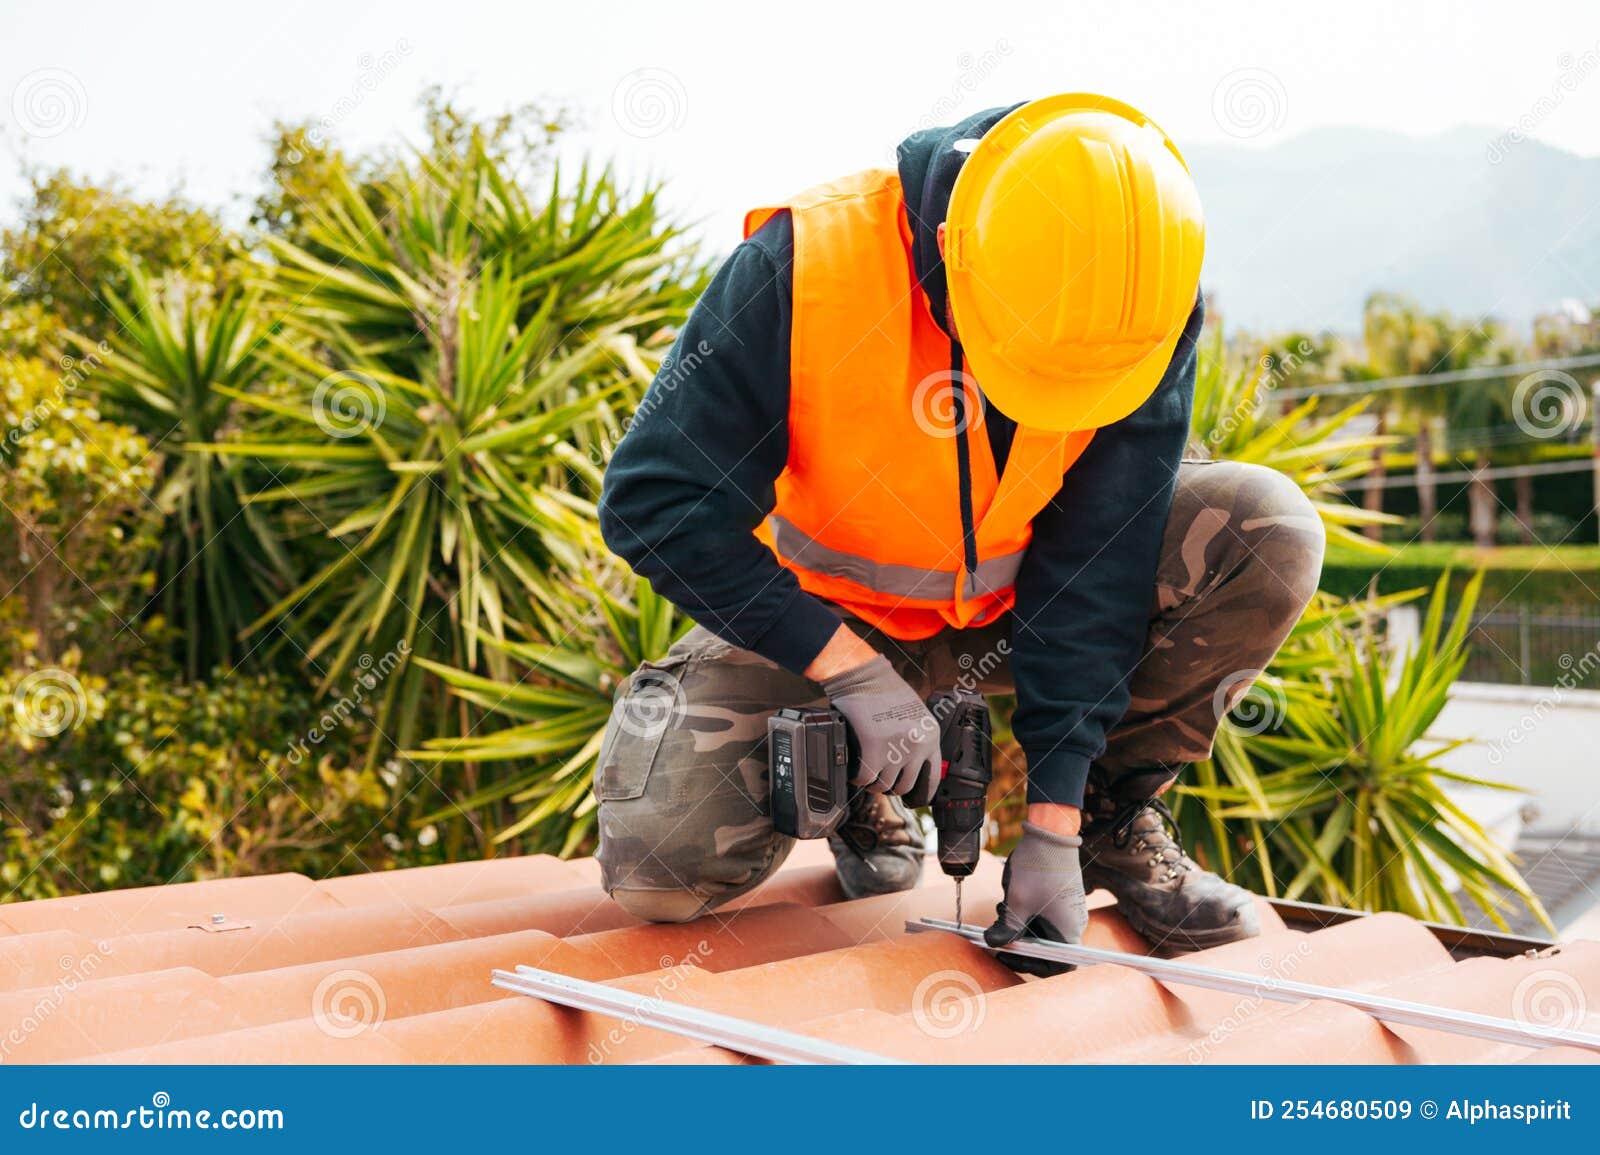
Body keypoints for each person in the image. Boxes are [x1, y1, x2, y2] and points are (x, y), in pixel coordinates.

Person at [595, 94, 1324, 957]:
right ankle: (862, 781)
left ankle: (1107, 819)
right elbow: (654, 501)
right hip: (824, 623)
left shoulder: (1140, 302)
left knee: (1267, 530)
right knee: (658, 874)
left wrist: (1049, 822)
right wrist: (850, 674)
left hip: (1015, 616)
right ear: (950, 248)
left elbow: (1096, 564)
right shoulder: (805, 265)